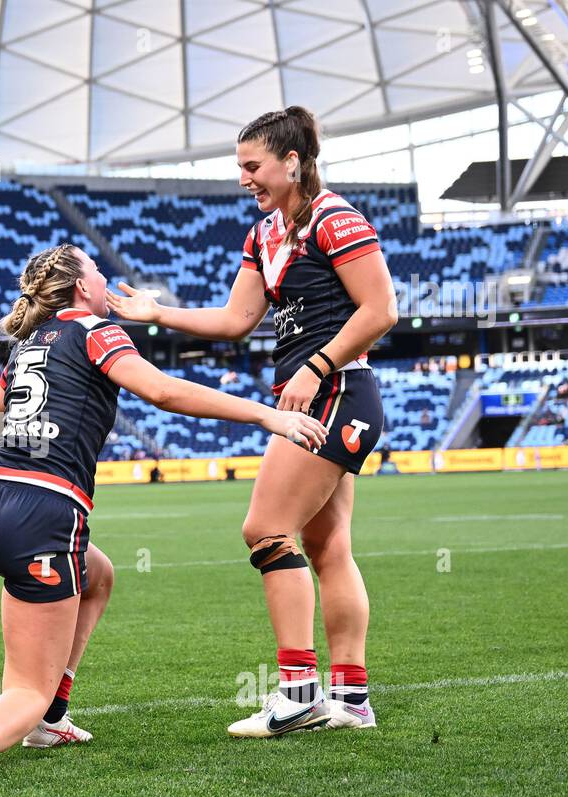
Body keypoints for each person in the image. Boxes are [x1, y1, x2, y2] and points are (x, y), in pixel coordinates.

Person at [0, 243, 328, 784]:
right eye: (95, 269)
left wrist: (39, 423)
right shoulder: (94, 329)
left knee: (98, 574)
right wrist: (265, 416)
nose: (104, 277)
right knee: (24, 688)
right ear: (81, 289)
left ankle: (52, 718)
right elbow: (162, 391)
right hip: (41, 510)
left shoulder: (25, 345)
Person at [109, 106, 398, 738]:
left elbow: (381, 309)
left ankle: (298, 694)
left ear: (292, 162)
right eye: (239, 167)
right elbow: (237, 320)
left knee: (265, 530)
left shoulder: (337, 219)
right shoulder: (264, 233)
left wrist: (316, 367)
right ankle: (352, 701)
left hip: (335, 392)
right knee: (328, 546)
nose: (244, 179)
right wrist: (156, 313)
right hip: (321, 394)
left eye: (252, 166)